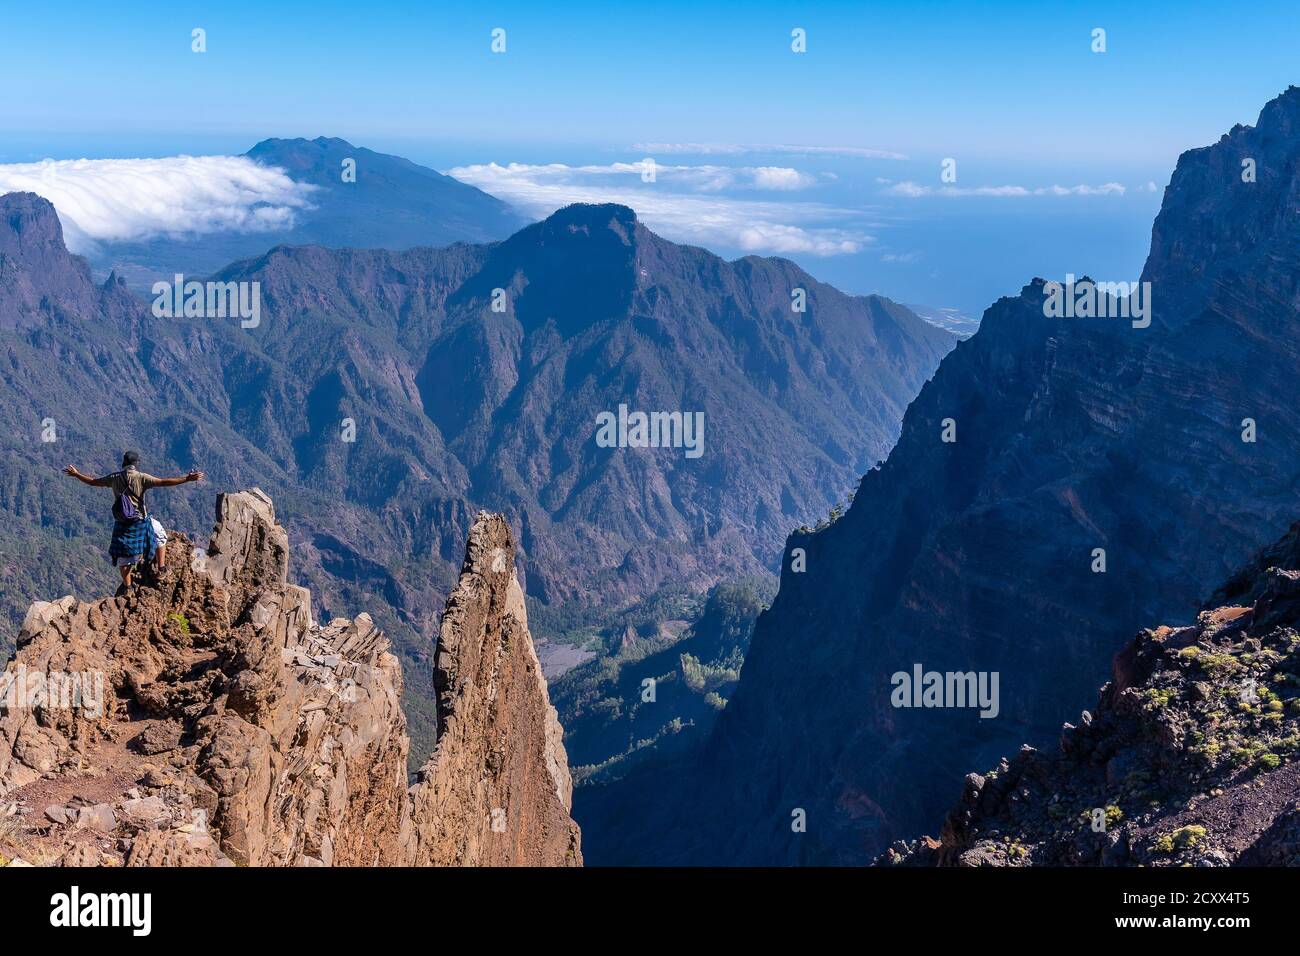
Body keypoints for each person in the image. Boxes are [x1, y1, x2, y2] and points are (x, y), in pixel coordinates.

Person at [63, 452, 205, 595]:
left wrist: (76, 474)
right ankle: (161, 568)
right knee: (160, 535)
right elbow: (163, 482)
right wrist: (187, 479)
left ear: (124, 463)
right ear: (137, 464)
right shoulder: (142, 477)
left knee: (124, 557)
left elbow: (93, 481)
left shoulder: (114, 478)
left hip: (122, 522)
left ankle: (127, 587)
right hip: (140, 521)